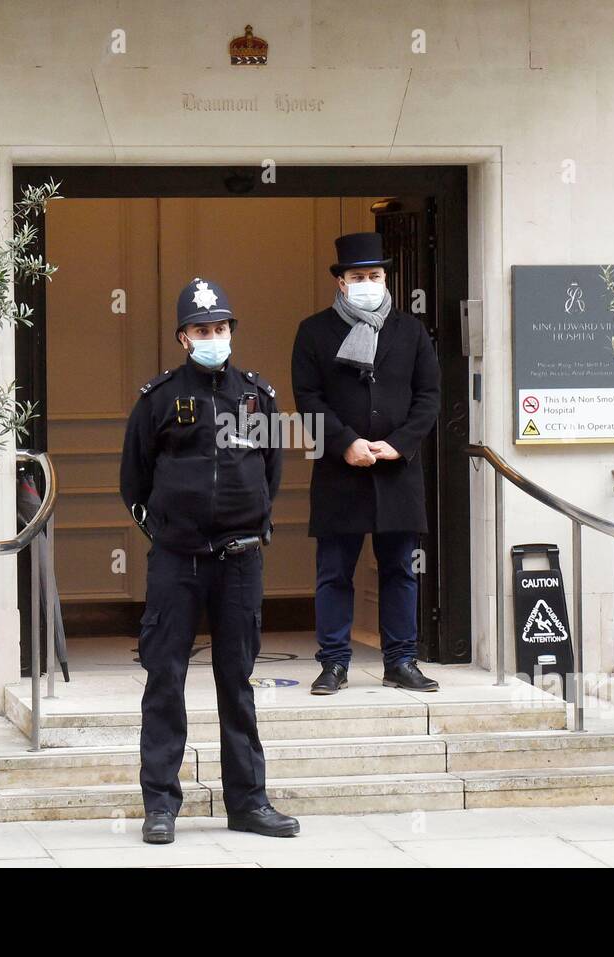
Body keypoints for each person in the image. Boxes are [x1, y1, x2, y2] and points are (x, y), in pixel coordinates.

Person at [120, 276, 299, 845]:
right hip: (177, 561)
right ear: (183, 337)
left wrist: (254, 521)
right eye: (202, 329)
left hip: (240, 560)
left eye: (220, 328)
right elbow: (134, 480)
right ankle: (161, 805)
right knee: (165, 678)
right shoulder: (158, 399)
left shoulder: (257, 395)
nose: (213, 337)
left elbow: (271, 467)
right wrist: (168, 529)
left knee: (237, 680)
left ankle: (248, 802)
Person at [290, 232, 441, 695]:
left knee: (399, 569)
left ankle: (401, 660)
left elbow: (429, 395)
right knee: (334, 571)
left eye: (374, 275)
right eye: (358, 276)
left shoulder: (410, 331)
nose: (368, 283)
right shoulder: (314, 331)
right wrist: (345, 442)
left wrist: (399, 443)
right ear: (341, 283)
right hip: (341, 470)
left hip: (397, 471)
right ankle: (333, 663)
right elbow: (308, 397)